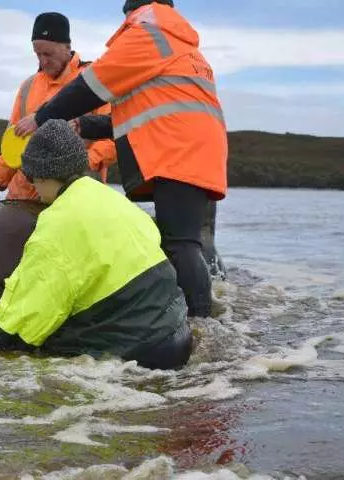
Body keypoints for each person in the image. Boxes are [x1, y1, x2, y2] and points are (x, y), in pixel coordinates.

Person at [14, 0, 227, 317]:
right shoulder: (178, 43)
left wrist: (42, 116)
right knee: (180, 242)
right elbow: (145, 114)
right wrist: (86, 125)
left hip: (178, 153)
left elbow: (93, 85)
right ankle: (193, 315)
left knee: (181, 244)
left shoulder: (149, 34)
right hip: (192, 149)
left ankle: (201, 325)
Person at [0, 119, 192, 370]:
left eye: (29, 177)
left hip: (137, 352)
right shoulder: (112, 199)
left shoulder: (58, 221)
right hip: (177, 333)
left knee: (33, 349)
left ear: (39, 174)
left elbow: (34, 304)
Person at [0, 12, 116, 200]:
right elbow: (12, 143)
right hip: (21, 199)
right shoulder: (27, 87)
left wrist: (80, 164)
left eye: (48, 54)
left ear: (67, 47)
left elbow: (113, 138)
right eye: (38, 54)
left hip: (73, 196)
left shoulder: (94, 82)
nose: (43, 61)